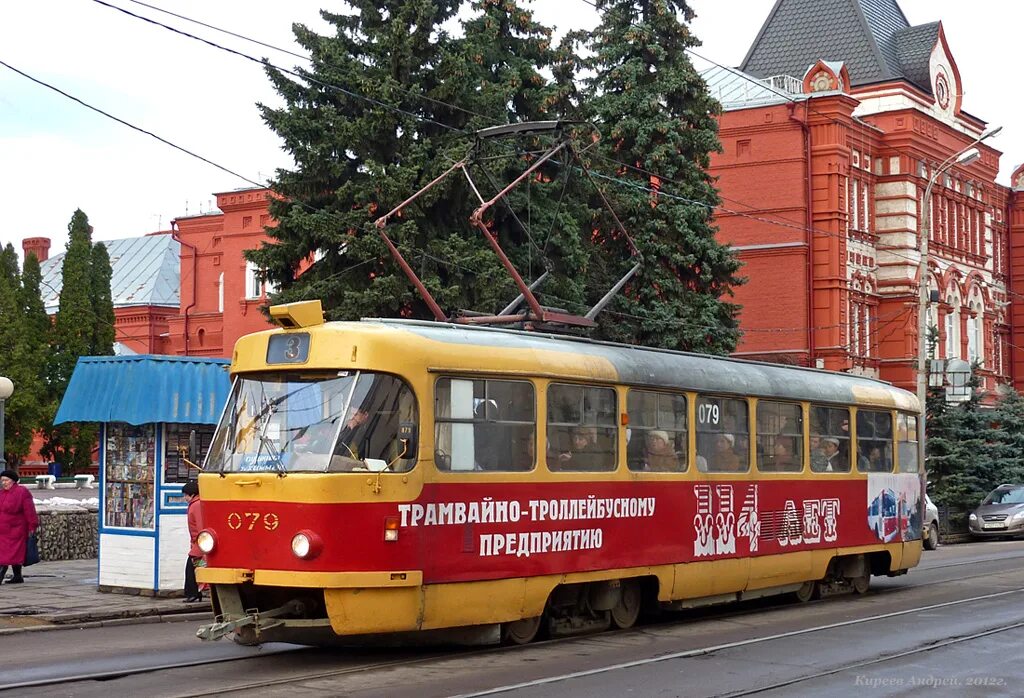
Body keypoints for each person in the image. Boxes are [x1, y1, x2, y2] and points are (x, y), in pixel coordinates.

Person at [0, 469, 39, 585]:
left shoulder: (22, 492)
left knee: (7, 554)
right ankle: (17, 576)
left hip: (16, 530)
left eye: (6, 480)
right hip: (3, 530)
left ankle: (1, 574)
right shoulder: (1, 494)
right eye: (2, 481)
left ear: (13, 481)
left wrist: (32, 525)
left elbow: (29, 511)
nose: (4, 483)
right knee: (9, 553)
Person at [182, 481, 205, 603]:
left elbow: (200, 525)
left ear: (192, 494)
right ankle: (196, 593)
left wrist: (200, 542)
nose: (184, 498)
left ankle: (192, 594)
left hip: (199, 544)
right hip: (197, 543)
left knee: (190, 568)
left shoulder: (196, 505)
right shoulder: (196, 504)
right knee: (194, 568)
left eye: (185, 495)